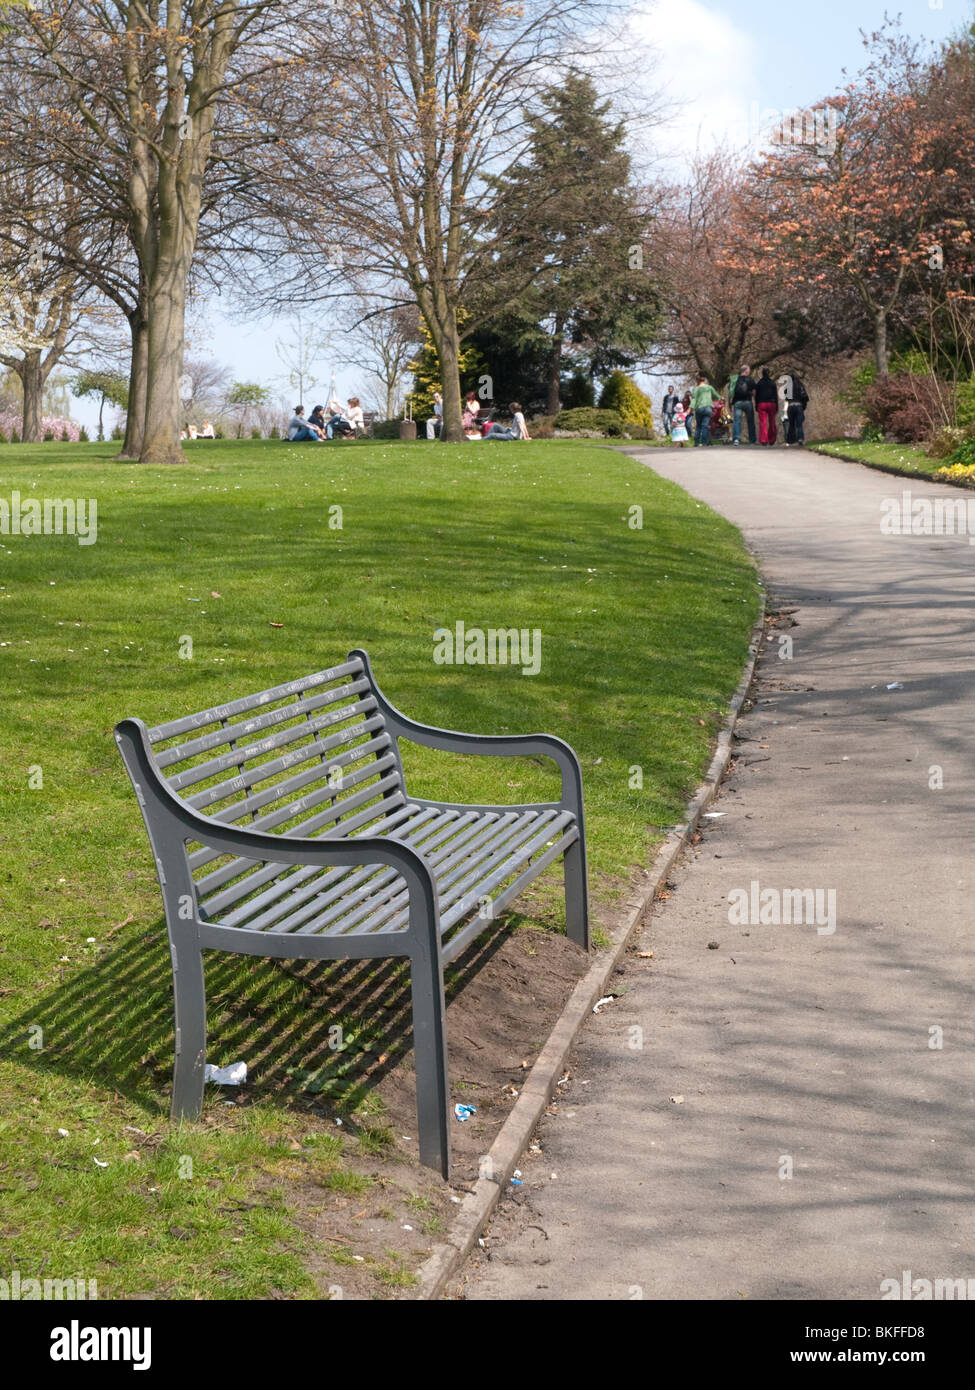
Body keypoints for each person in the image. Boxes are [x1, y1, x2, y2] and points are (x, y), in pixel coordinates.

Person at [729, 364, 757, 446]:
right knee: (750, 421)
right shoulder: (750, 379)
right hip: (748, 402)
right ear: (746, 371)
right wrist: (755, 401)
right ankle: (752, 440)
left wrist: (730, 403)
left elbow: (731, 392)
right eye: (749, 370)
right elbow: (754, 392)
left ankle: (736, 439)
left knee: (737, 421)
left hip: (737, 402)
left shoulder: (735, 379)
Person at [691, 374, 721, 447]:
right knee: (705, 426)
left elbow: (694, 399)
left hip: (699, 408)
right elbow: (717, 397)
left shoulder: (696, 389)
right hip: (708, 408)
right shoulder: (709, 388)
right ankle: (704, 443)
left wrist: (691, 408)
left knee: (698, 426)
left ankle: (696, 443)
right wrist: (714, 399)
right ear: (704, 380)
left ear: (697, 380)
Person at [755, 368, 779, 445]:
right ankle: (772, 440)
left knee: (763, 423)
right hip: (771, 403)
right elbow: (775, 396)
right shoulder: (772, 383)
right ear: (769, 373)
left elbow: (756, 395)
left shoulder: (759, 383)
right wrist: (777, 406)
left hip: (761, 404)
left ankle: (764, 440)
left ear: (762, 373)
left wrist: (756, 405)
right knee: (772, 422)